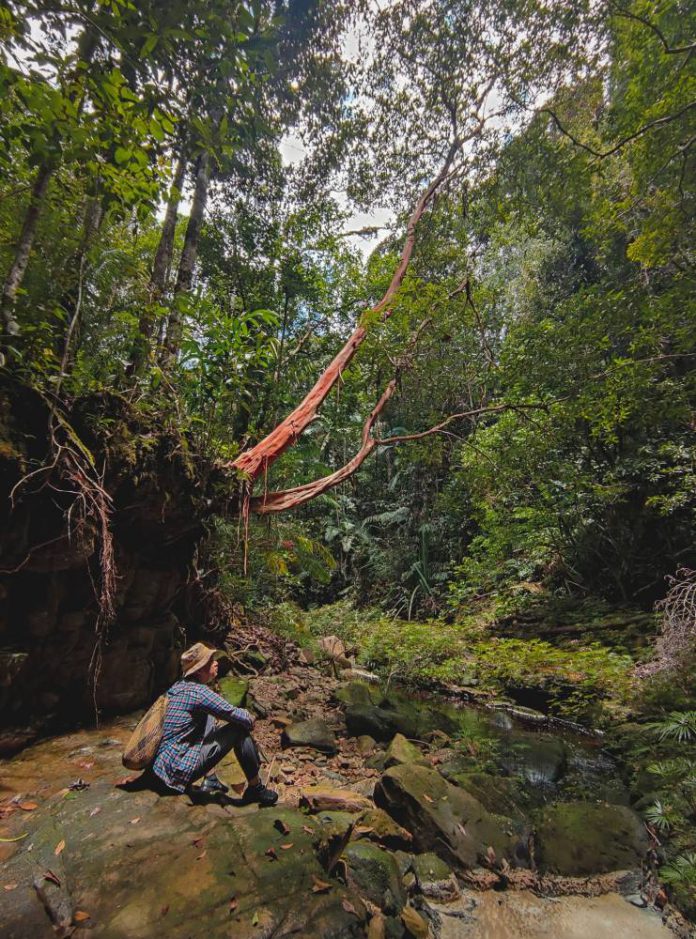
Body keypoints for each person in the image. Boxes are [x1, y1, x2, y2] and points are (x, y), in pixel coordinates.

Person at [151, 641, 278, 806]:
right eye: (211, 661)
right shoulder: (199, 692)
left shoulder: (178, 686)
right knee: (238, 729)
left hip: (161, 768)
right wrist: (251, 718)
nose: (216, 663)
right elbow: (239, 716)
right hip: (177, 773)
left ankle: (210, 778)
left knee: (209, 718)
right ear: (200, 669)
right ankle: (256, 789)